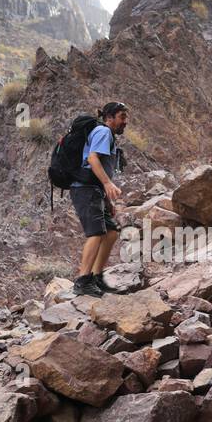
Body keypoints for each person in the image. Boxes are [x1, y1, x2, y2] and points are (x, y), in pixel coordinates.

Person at [70, 101, 128, 297]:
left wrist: (108, 200)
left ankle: (96, 277)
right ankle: (83, 281)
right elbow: (92, 159)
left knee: (111, 232)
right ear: (109, 117)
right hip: (86, 189)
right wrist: (107, 184)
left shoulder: (106, 134)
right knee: (96, 233)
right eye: (122, 117)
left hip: (94, 190)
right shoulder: (103, 132)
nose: (125, 122)